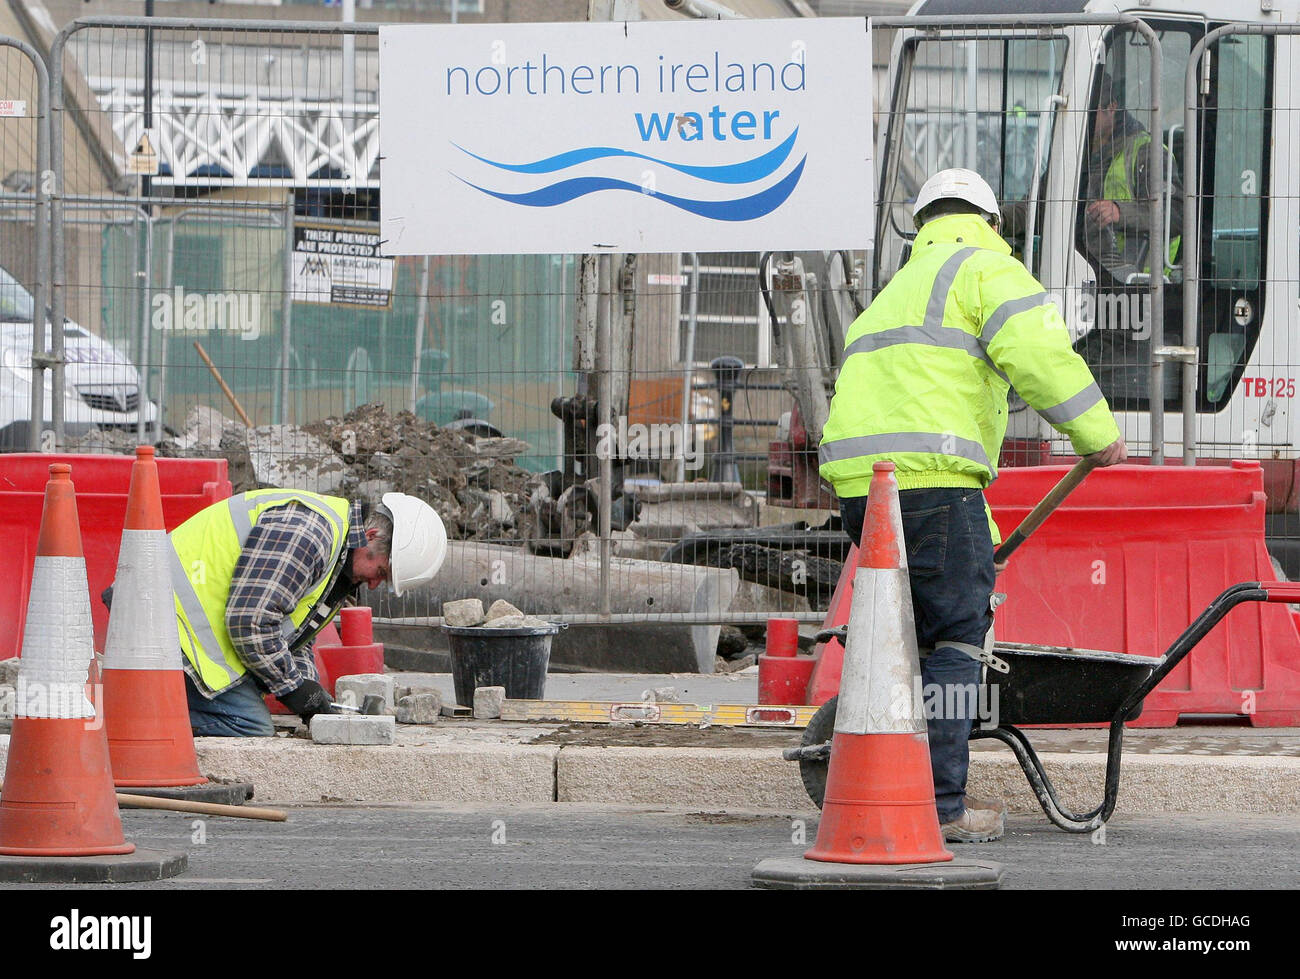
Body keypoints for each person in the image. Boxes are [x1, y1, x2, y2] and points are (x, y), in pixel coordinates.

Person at [818, 168, 1128, 843]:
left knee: (905, 641)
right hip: (934, 479)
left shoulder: (894, 291)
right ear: (990, 221)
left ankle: (887, 776)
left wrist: (976, 532)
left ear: (923, 222)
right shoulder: (987, 268)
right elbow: (1041, 356)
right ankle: (941, 802)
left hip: (859, 486)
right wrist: (1097, 434)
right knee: (957, 640)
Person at [167, 490, 447, 737]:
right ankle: (142, 716)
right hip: (164, 630)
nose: (374, 584)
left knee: (258, 715)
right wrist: (293, 689)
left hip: (179, 631)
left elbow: (293, 634)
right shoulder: (309, 535)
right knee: (249, 723)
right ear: (370, 537)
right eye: (381, 573)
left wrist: (310, 694)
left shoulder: (337, 557)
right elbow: (251, 622)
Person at [1083, 73, 1183, 280]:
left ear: (1111, 108)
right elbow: (1039, 203)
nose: (1083, 122)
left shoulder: (1146, 152)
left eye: (1090, 114)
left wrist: (1119, 211)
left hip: (1137, 285)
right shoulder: (1077, 155)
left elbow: (1174, 215)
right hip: (1087, 271)